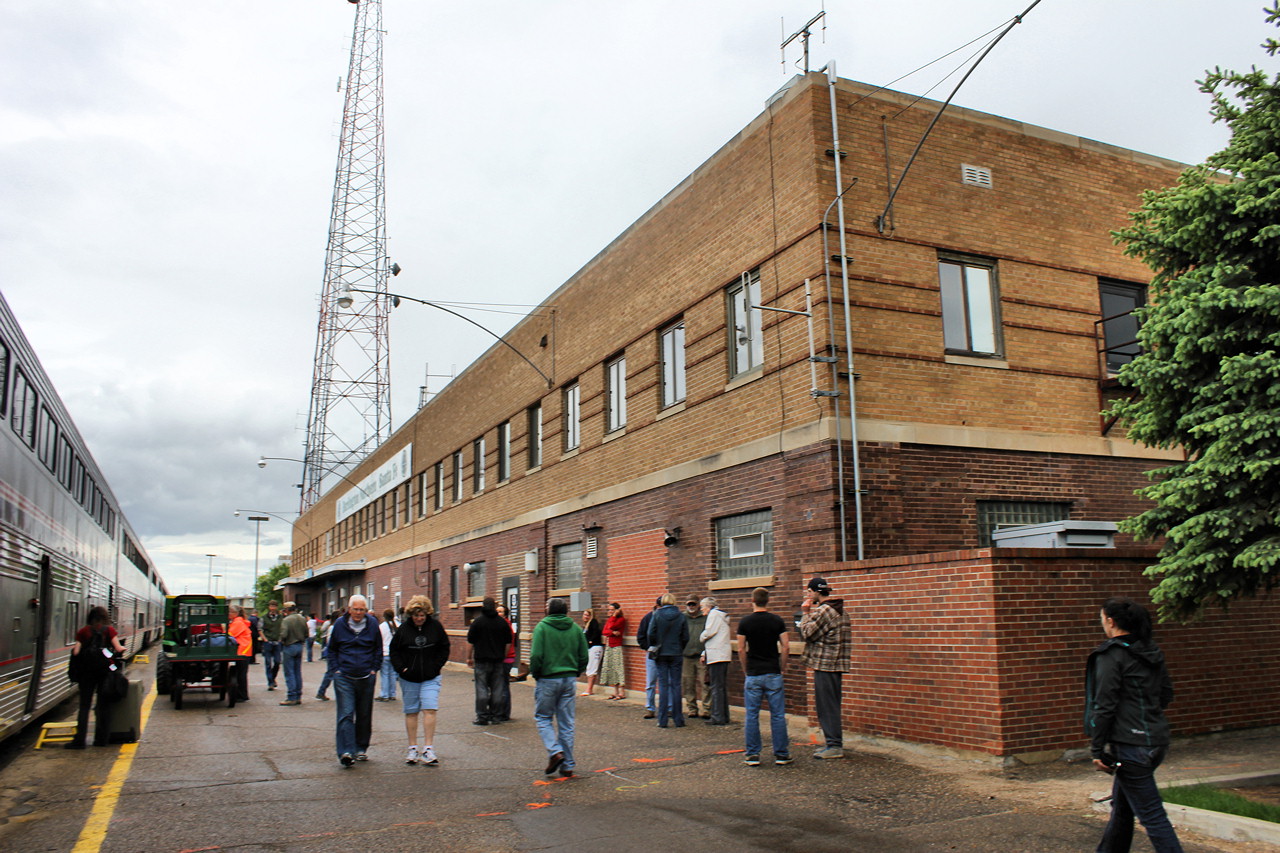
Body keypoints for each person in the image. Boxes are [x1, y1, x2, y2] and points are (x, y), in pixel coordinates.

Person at [1086, 597, 1183, 853]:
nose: (1102, 623)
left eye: (1102, 619)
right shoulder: (1150, 650)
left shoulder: (1111, 655)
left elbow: (1104, 704)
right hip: (1156, 741)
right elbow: (1165, 694)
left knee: (1152, 817)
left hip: (1131, 747)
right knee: (1122, 808)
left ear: (1111, 621)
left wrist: (1097, 750)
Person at [529, 597, 588, 778]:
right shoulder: (576, 629)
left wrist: (536, 673)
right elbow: (584, 655)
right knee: (566, 722)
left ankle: (555, 752)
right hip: (569, 678)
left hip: (548, 678)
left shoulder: (542, 628)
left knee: (543, 717)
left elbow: (536, 655)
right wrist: (577, 670)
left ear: (548, 610)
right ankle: (568, 764)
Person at [390, 595, 450, 766]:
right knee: (411, 711)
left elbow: (444, 647)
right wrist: (402, 668)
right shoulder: (403, 630)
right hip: (409, 678)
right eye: (416, 615)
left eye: (422, 615)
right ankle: (412, 748)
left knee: (430, 709)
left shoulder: (435, 627)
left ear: (427, 614)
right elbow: (394, 650)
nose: (419, 618)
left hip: (431, 676)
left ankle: (428, 748)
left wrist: (436, 666)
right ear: (411, 614)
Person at [736, 587, 791, 766]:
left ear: (752, 600)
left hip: (753, 673)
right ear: (768, 600)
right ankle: (781, 754)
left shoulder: (745, 622)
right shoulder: (777, 621)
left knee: (752, 714)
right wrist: (781, 667)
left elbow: (741, 648)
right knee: (777, 715)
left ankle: (752, 754)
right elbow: (786, 646)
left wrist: (746, 669)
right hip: (773, 671)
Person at [798, 576, 852, 759]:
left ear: (815, 592)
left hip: (826, 664)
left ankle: (834, 746)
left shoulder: (824, 611)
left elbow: (807, 633)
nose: (807, 595)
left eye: (809, 592)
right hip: (836, 664)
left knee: (826, 706)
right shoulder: (842, 611)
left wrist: (805, 613)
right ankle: (832, 744)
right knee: (831, 704)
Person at [327, 594, 382, 766]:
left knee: (364, 714)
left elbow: (378, 648)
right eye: (355, 609)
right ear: (349, 609)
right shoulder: (340, 625)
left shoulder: (372, 624)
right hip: (344, 676)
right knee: (346, 713)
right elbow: (332, 649)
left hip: (366, 675)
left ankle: (360, 748)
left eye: (362, 610)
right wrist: (335, 669)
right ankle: (346, 751)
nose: (358, 613)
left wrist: (374, 668)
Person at [66, 605, 127, 748]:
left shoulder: (83, 631)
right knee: (103, 707)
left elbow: (75, 652)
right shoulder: (109, 631)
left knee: (84, 706)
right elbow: (119, 648)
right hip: (105, 673)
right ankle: (101, 740)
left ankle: (80, 741)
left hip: (86, 674)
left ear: (90, 618)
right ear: (105, 617)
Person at [467, 597, 513, 725]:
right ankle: (496, 715)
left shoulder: (477, 622)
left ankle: (482, 716)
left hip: (481, 660)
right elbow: (508, 643)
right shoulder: (502, 622)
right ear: (494, 607)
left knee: (481, 688)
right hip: (498, 661)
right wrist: (503, 656)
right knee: (497, 689)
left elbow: (470, 641)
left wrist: (469, 657)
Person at [649, 593, 688, 728]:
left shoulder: (657, 615)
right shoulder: (681, 616)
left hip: (661, 653)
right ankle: (678, 719)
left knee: (663, 685)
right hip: (676, 652)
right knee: (676, 685)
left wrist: (656, 644)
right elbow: (685, 636)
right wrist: (679, 647)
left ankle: (662, 719)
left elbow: (650, 633)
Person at [699, 596, 731, 725]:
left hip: (716, 656)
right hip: (722, 655)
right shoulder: (720, 615)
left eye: (703, 607)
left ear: (709, 606)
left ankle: (717, 716)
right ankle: (723, 715)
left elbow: (709, 633)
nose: (702, 610)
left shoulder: (713, 615)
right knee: (720, 687)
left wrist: (701, 637)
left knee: (716, 687)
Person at [635, 597, 662, 719]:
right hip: (651, 654)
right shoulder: (648, 618)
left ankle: (667, 707)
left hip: (665, 653)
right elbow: (640, 635)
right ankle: (650, 708)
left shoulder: (667, 618)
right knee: (651, 682)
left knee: (665, 682)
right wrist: (647, 647)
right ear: (656, 606)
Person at [681, 596, 708, 718]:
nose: (691, 607)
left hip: (702, 656)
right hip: (686, 655)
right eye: (689, 604)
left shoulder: (705, 617)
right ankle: (692, 708)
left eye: (693, 604)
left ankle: (707, 709)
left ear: (698, 605)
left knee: (705, 683)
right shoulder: (682, 617)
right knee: (688, 683)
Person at [278, 602, 308, 706]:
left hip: (289, 646)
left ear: (286, 610)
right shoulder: (302, 619)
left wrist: (281, 640)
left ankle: (291, 697)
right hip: (299, 645)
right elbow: (306, 633)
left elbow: (284, 634)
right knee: (297, 672)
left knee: (289, 672)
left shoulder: (286, 620)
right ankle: (298, 695)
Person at [600, 602, 627, 700]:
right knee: (611, 667)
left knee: (618, 668)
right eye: (609, 610)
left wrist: (614, 616)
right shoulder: (610, 620)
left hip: (617, 645)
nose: (610, 611)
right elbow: (605, 631)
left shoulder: (620, 620)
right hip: (609, 645)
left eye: (612, 610)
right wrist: (612, 633)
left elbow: (611, 626)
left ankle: (622, 692)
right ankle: (615, 692)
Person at [227, 604, 253, 702]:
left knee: (241, 674)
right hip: (245, 651)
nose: (228, 614)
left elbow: (229, 635)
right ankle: (241, 694)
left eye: (230, 612)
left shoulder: (237, 623)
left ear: (236, 613)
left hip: (242, 651)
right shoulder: (240, 622)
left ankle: (242, 695)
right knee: (241, 673)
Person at [496, 603, 516, 722]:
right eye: (497, 611)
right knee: (503, 685)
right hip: (507, 658)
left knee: (503, 686)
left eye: (500, 612)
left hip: (506, 659)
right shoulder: (503, 624)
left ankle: (504, 713)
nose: (498, 613)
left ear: (505, 614)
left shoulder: (505, 625)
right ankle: (503, 712)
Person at [314, 610, 340, 701]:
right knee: (331, 673)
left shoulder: (333, 627)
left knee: (332, 673)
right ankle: (321, 691)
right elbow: (331, 641)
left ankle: (322, 692)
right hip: (334, 653)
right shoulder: (333, 627)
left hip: (334, 653)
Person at [259, 600, 283, 691]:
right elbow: (260, 629)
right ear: (269, 607)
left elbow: (283, 628)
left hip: (277, 642)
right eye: (271, 606)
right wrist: (265, 639)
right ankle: (270, 682)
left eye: (274, 606)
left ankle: (273, 678)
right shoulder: (264, 618)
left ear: (277, 607)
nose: (273, 608)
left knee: (277, 661)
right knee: (268, 663)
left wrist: (280, 638)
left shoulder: (281, 618)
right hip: (268, 642)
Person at [580, 608, 604, 696]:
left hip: (595, 647)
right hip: (589, 648)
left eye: (587, 615)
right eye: (584, 615)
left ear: (591, 616)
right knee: (589, 668)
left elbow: (596, 633)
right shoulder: (586, 625)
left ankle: (589, 689)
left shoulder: (593, 622)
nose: (585, 617)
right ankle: (589, 688)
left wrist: (590, 640)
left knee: (592, 668)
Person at [377, 608, 398, 702]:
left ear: (384, 616)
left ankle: (384, 695)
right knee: (393, 674)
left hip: (385, 653)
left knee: (385, 674)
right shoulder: (398, 625)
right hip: (395, 654)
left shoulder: (382, 627)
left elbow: (378, 640)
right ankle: (392, 694)